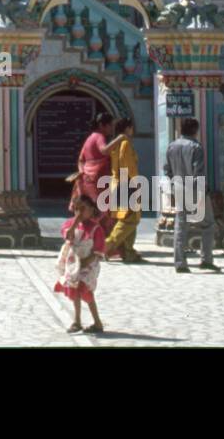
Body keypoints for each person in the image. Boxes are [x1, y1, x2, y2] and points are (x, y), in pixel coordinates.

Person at [165, 117, 219, 273]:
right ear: (195, 130)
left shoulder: (171, 146)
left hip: (179, 189)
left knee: (181, 226)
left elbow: (167, 170)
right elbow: (198, 171)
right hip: (195, 190)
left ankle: (180, 263)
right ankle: (206, 260)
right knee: (208, 225)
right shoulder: (196, 147)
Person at [54, 193, 106, 334]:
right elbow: (68, 237)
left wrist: (85, 262)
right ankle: (77, 321)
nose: (80, 212)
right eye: (77, 209)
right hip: (73, 264)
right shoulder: (69, 225)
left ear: (92, 210)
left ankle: (97, 322)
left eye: (84, 209)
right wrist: (76, 221)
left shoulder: (96, 229)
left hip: (88, 264)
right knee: (74, 290)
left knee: (86, 291)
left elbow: (98, 251)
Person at [104, 118, 145, 263]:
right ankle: (109, 244)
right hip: (127, 183)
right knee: (130, 219)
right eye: (131, 128)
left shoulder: (116, 143)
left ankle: (129, 252)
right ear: (127, 128)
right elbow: (129, 166)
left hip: (117, 183)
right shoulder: (125, 143)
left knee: (128, 218)